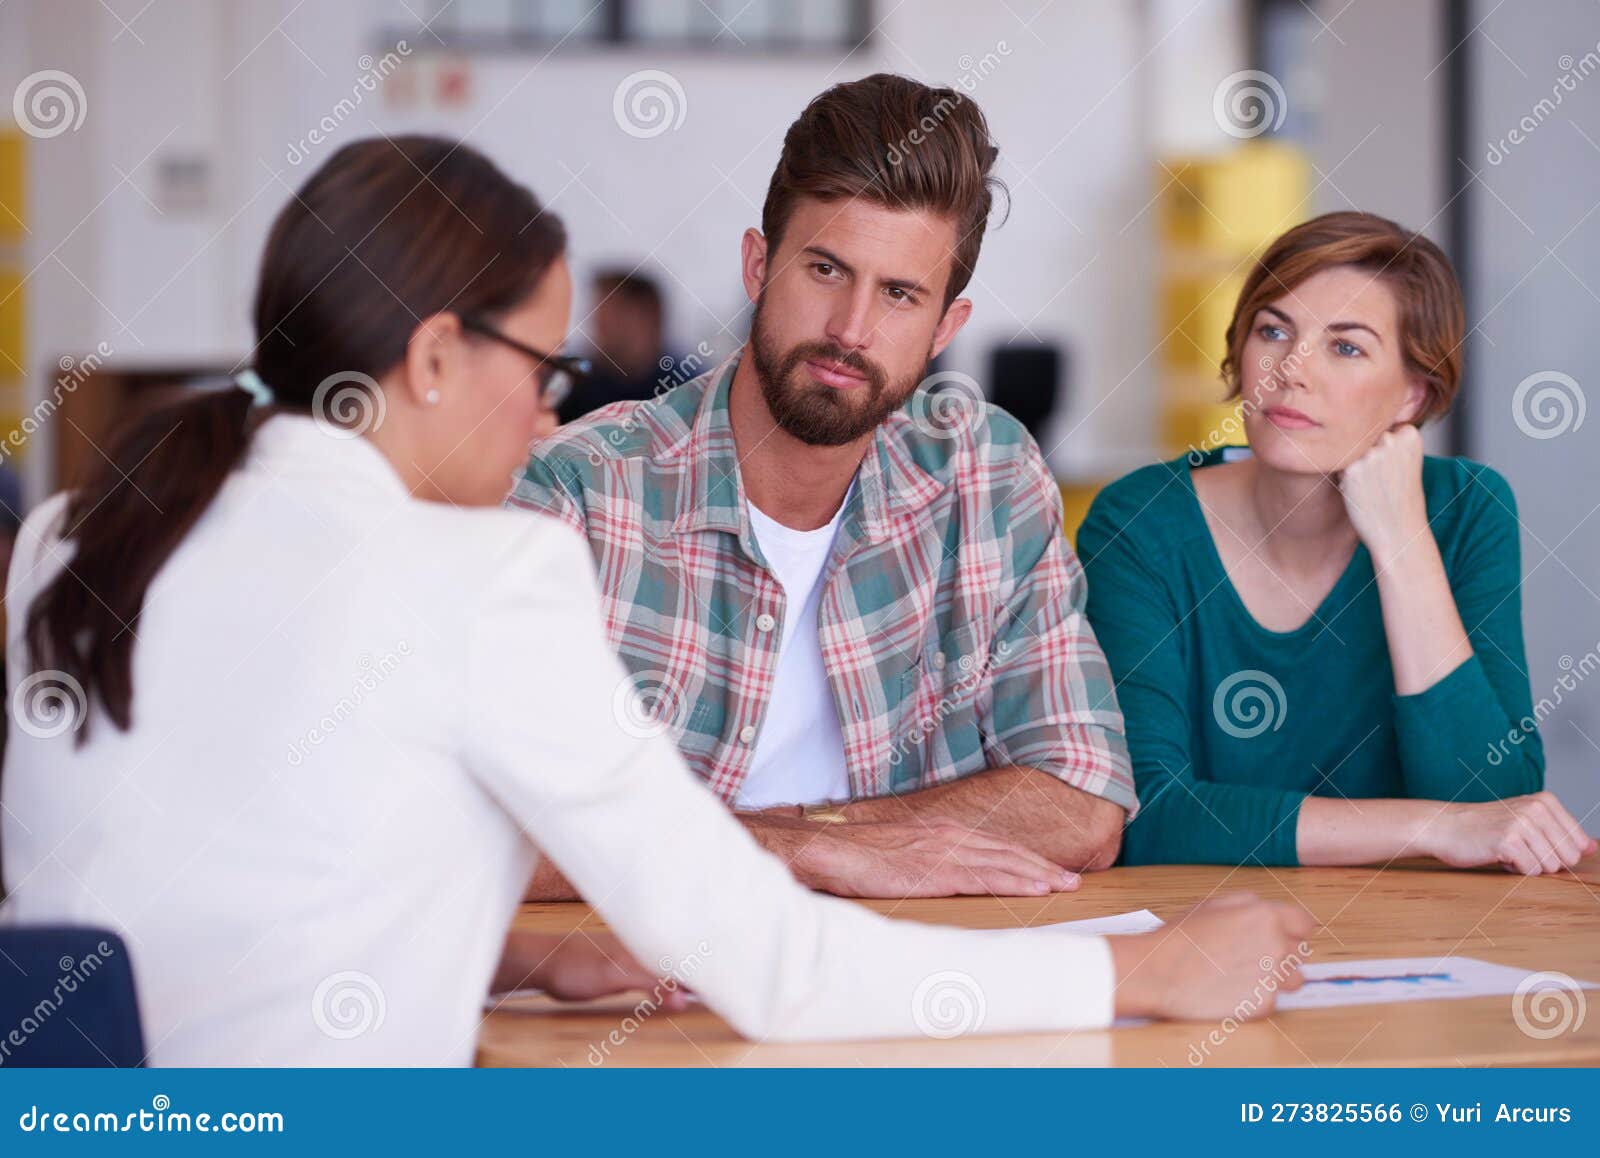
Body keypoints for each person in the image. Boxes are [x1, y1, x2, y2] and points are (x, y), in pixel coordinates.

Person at [0, 135, 1312, 1065]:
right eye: (544, 358)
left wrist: (514, 954)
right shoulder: (482, 571)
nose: (554, 403)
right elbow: (778, 974)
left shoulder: (77, 532)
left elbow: (186, 912)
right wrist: (1142, 970)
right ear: (438, 354)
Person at [510, 74, 1135, 902]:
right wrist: (807, 855)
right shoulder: (579, 494)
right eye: (826, 269)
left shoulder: (987, 474)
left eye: (900, 294)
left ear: (946, 326)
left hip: (927, 986)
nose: (851, 329)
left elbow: (1085, 800)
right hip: (658, 997)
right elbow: (484, 834)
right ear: (758, 264)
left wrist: (813, 837)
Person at [1078, 211, 1596, 872]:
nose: (1291, 371)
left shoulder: (1467, 510)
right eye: (1273, 331)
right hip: (1202, 934)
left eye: (1345, 346)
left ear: (1413, 392)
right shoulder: (1141, 521)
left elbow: (1494, 802)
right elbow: (1143, 815)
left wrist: (1403, 541)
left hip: (1417, 942)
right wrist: (1434, 827)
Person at [557, 270, 676, 424]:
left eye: (607, 309)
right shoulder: (576, 384)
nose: (596, 321)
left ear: (646, 315)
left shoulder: (686, 385)